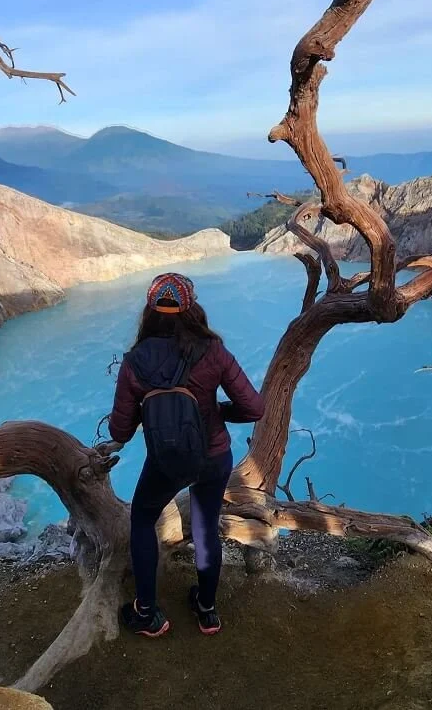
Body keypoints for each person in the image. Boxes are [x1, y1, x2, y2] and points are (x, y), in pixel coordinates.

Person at [106, 272, 265, 638]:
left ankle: (147, 613)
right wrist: (217, 412)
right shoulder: (213, 351)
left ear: (149, 312)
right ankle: (206, 610)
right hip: (213, 456)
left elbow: (119, 431)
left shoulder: (134, 362)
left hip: (166, 462)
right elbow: (254, 408)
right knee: (206, 526)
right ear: (192, 308)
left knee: (143, 520)